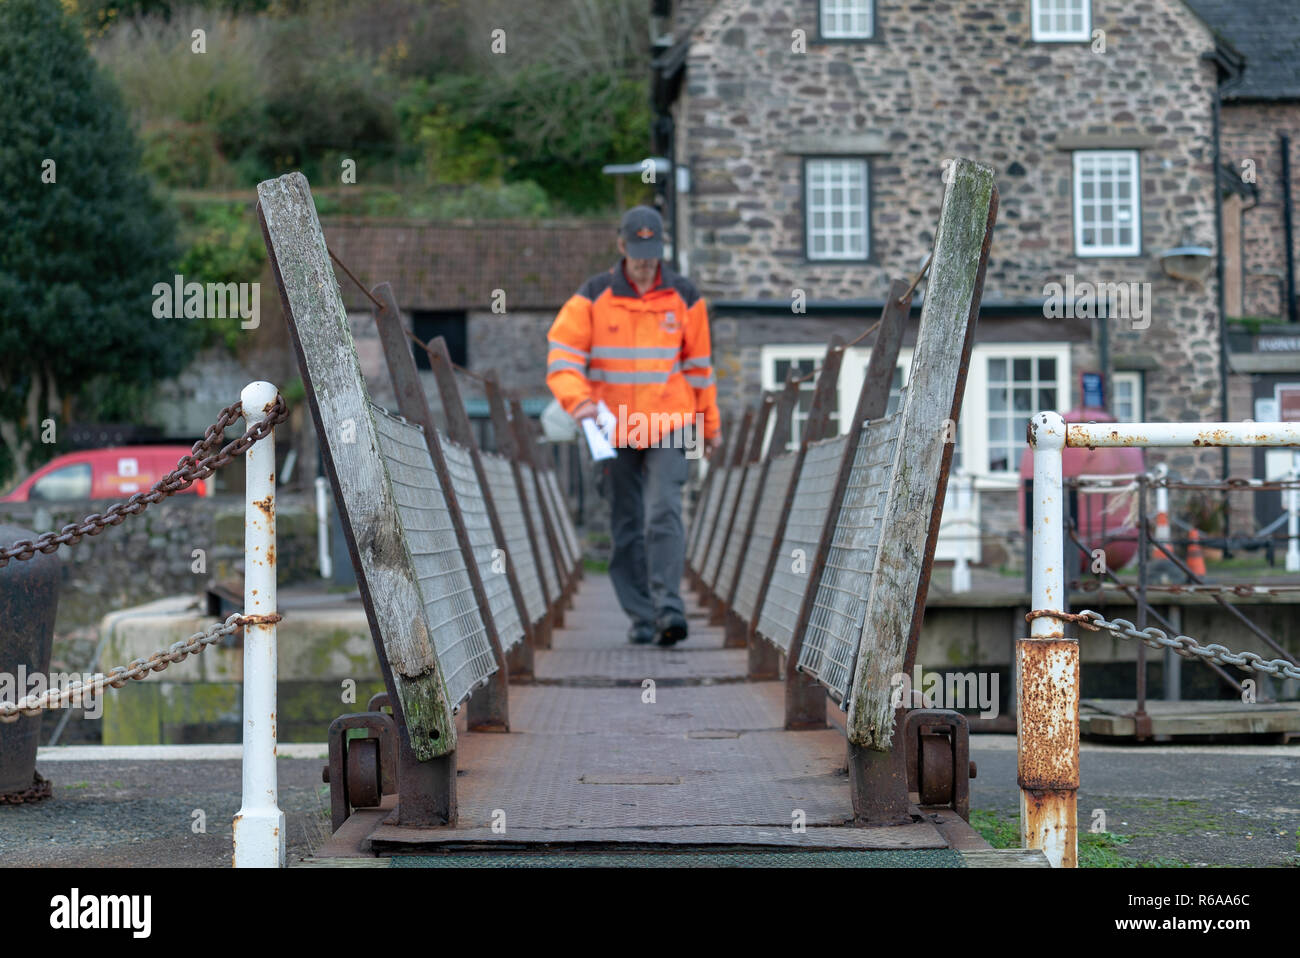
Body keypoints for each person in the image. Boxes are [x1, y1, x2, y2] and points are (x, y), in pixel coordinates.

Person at [545, 206, 722, 646]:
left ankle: (668, 609)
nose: (646, 260)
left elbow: (700, 369)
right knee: (627, 522)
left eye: (654, 251)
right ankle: (642, 616)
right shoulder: (592, 295)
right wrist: (578, 401)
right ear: (621, 245)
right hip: (612, 428)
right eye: (638, 250)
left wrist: (708, 429)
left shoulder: (685, 296)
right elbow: (563, 359)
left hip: (672, 424)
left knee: (664, 510)